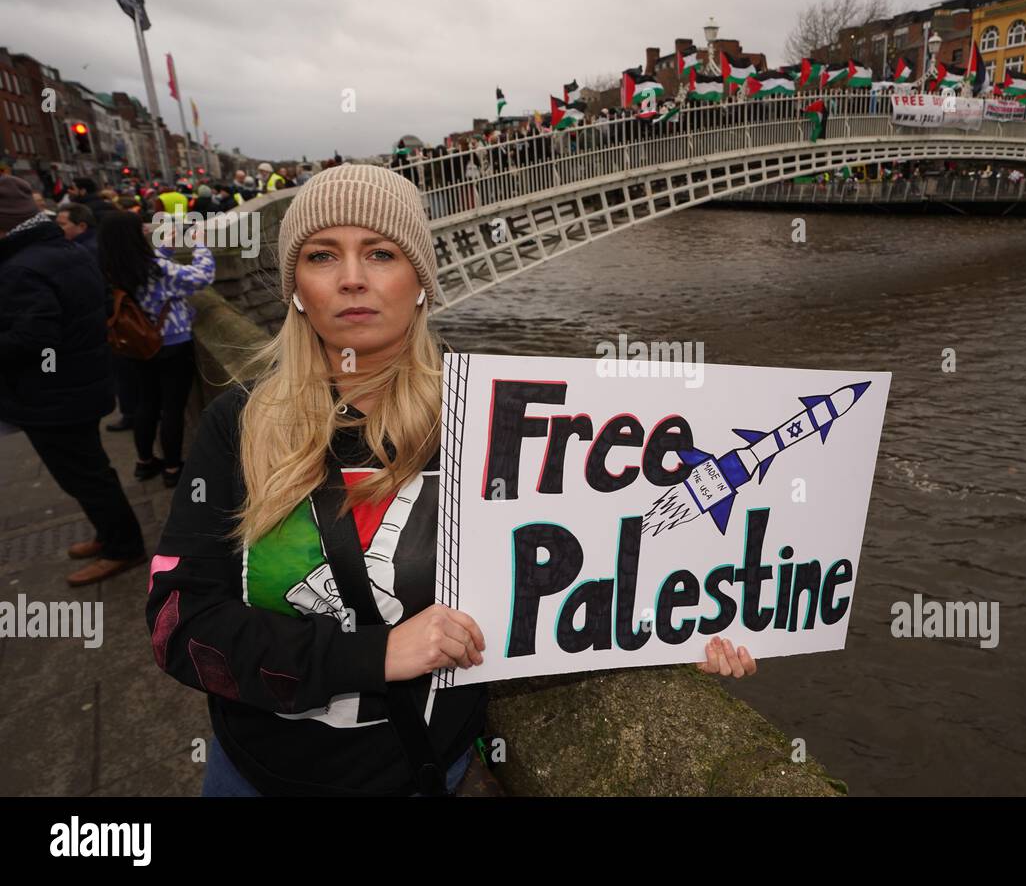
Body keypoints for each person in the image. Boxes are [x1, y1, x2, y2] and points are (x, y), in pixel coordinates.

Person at [144, 163, 755, 798]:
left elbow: (578, 567)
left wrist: (665, 625)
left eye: (381, 253)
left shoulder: (492, 420)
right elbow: (177, 625)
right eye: (322, 255)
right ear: (296, 288)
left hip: (420, 775)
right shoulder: (239, 424)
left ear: (421, 284)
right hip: (256, 780)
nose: (352, 277)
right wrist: (376, 654)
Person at [0, 176, 147, 586]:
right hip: (80, 383)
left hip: (53, 396)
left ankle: (124, 547)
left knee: (84, 475)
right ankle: (110, 534)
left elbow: (34, 338)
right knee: (91, 470)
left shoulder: (21, 268)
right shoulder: (65, 250)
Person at [98, 211, 214, 489]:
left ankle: (145, 461)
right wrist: (200, 244)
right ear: (132, 235)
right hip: (171, 344)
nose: (147, 230)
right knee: (172, 407)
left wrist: (164, 249)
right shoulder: (155, 268)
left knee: (146, 402)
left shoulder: (113, 267)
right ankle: (173, 467)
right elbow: (203, 276)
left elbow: (151, 274)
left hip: (137, 345)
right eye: (141, 228)